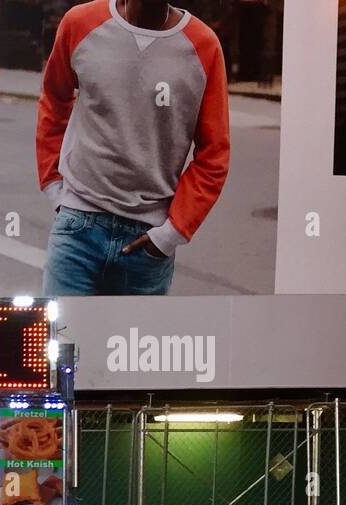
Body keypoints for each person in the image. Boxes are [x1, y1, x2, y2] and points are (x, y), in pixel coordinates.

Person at [36, 0, 231, 297]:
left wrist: (170, 234)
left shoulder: (203, 46)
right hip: (77, 228)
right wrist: (53, 185)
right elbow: (54, 99)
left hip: (147, 242)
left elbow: (214, 152)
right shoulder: (80, 23)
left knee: (133, 345)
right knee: (66, 341)